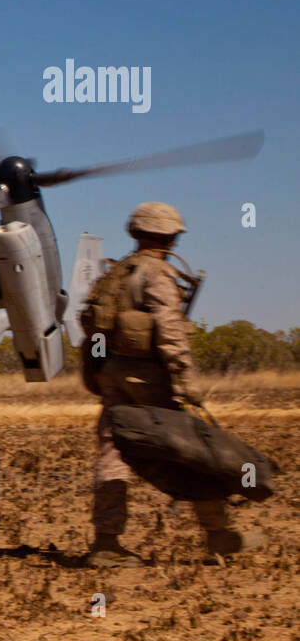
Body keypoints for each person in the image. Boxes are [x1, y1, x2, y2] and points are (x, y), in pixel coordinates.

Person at [81, 202, 261, 567]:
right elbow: (170, 330)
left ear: (136, 232)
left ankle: (106, 541)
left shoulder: (114, 274)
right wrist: (185, 379)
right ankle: (219, 534)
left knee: (113, 456)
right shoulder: (156, 273)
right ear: (171, 237)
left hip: (114, 373)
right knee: (194, 453)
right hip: (151, 377)